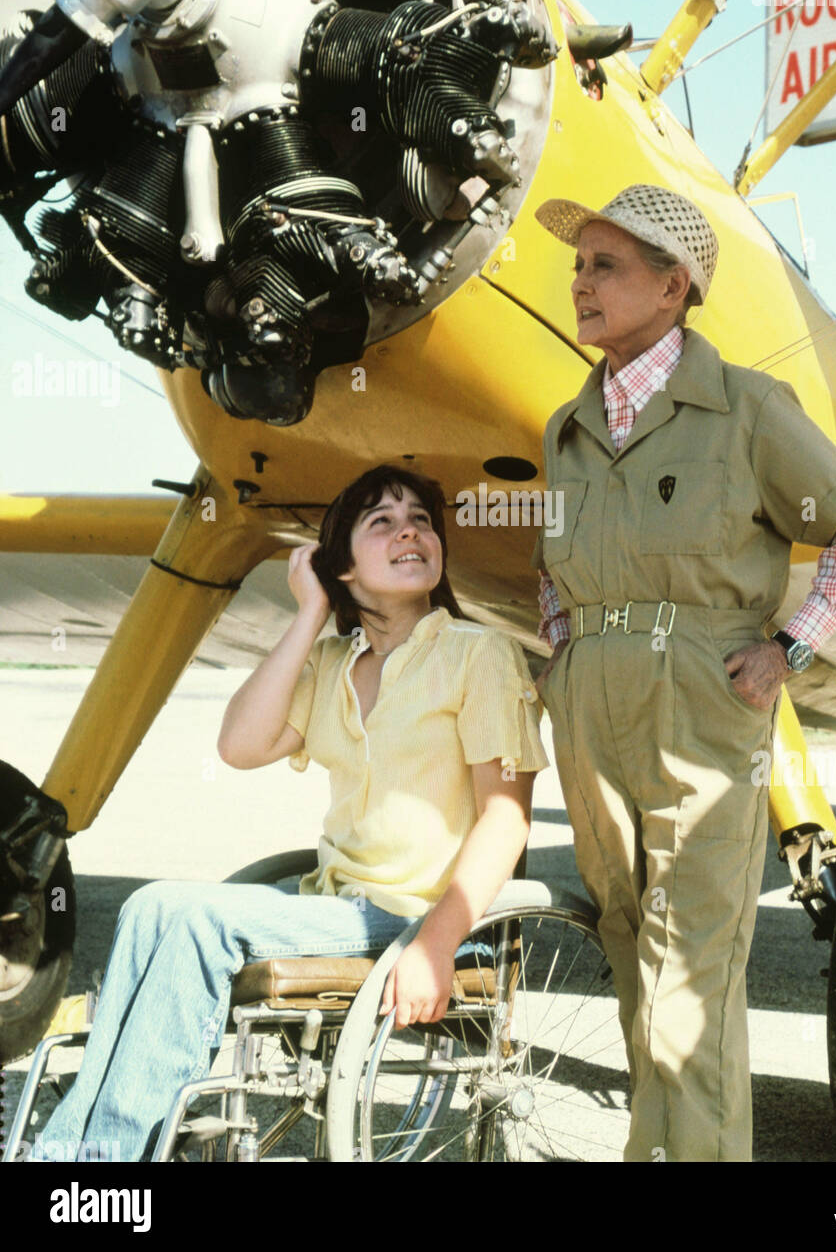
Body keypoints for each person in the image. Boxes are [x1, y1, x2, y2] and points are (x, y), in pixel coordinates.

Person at [531, 184, 836, 1163]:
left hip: (699, 702)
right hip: (587, 713)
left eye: (603, 265)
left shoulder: (747, 408)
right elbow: (554, 571)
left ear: (671, 284)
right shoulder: (562, 431)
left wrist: (790, 645)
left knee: (687, 981)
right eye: (578, 265)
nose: (579, 282)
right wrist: (563, 657)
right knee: (629, 956)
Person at [33, 464, 546, 1161]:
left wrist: (435, 941)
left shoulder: (479, 655)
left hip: (418, 917)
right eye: (383, 522)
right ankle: (72, 1155)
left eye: (421, 520)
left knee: (192, 917)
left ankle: (97, 1165)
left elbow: (506, 818)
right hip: (334, 908)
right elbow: (240, 745)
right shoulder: (334, 662)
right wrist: (308, 616)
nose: (410, 531)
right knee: (151, 908)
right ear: (343, 571)